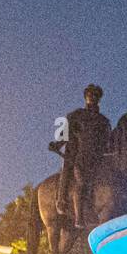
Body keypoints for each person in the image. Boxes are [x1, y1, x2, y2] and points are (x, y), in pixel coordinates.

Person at [49, 85, 111, 229]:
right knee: (80, 180)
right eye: (90, 95)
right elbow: (64, 134)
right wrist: (57, 145)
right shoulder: (76, 115)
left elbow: (107, 140)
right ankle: (67, 205)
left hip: (98, 158)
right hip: (78, 156)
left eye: (95, 95)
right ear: (86, 97)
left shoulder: (103, 121)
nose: (92, 98)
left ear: (98, 99)